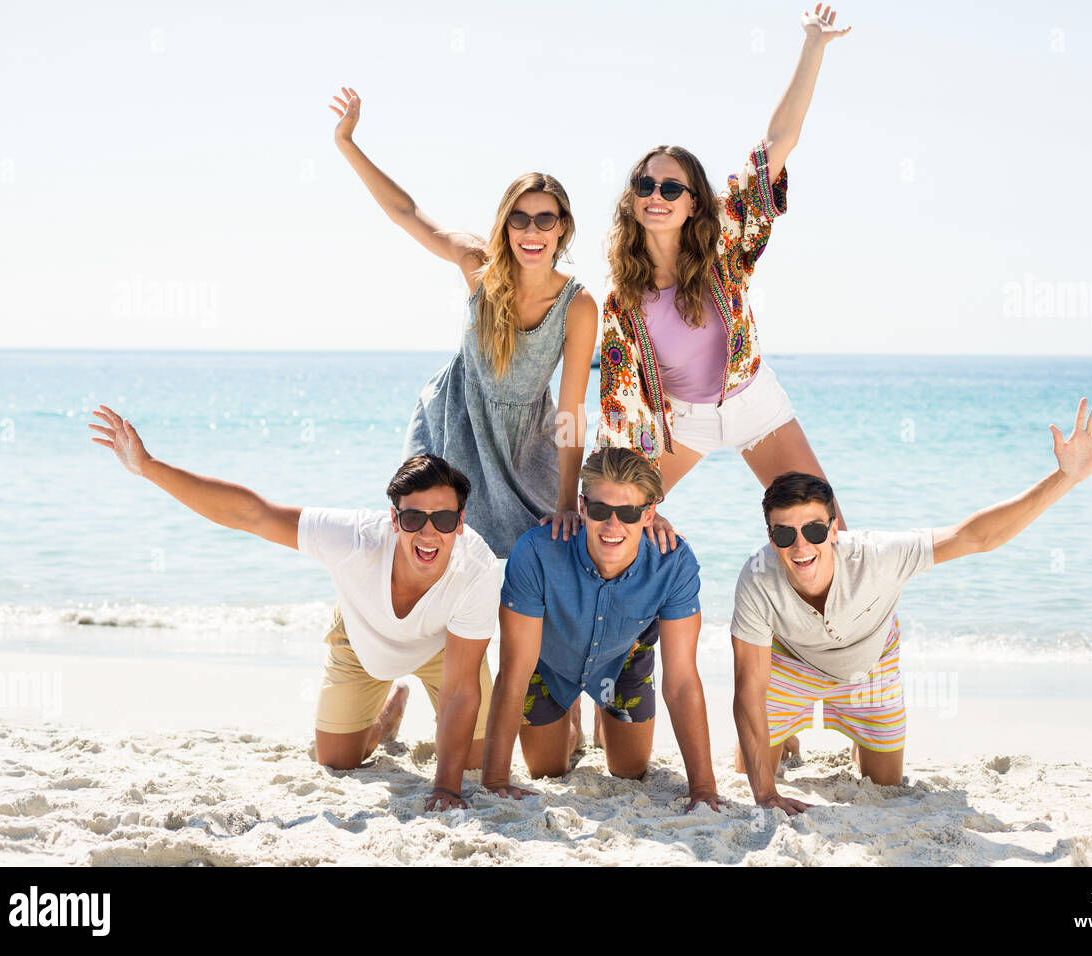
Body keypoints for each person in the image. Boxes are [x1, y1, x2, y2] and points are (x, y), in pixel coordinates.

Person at [88, 405, 502, 811]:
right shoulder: (356, 539)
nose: (429, 533)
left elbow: (461, 688)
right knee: (338, 762)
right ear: (394, 520)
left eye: (444, 520)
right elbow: (252, 514)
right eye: (413, 518)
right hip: (361, 642)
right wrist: (149, 467)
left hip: (443, 649)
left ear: (461, 522)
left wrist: (446, 789)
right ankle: (384, 714)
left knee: (470, 767)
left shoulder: (475, 568)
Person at [731, 398, 1092, 813]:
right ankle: (787, 728)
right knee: (745, 773)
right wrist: (766, 795)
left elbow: (974, 536)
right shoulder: (756, 578)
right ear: (771, 539)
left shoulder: (878, 556)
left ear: (834, 529)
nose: (801, 545)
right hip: (794, 662)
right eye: (785, 535)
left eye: (814, 530)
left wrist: (1064, 478)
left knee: (885, 784)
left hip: (870, 662)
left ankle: (859, 731)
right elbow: (748, 689)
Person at [595, 6, 852, 547]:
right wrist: (627, 498)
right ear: (632, 198)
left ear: (694, 203)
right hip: (681, 423)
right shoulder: (621, 300)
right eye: (645, 185)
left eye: (671, 188)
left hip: (755, 406)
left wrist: (813, 46)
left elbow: (775, 146)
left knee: (829, 534)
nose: (656, 196)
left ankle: (862, 632)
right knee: (611, 523)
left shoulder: (725, 246)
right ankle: (632, 632)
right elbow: (619, 404)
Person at [329, 86, 598, 556]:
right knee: (423, 533)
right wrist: (348, 143)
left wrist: (568, 499)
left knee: (536, 553)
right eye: (519, 219)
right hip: (453, 421)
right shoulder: (479, 267)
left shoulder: (578, 305)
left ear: (563, 228)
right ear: (504, 225)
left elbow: (573, 410)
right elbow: (406, 212)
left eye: (544, 220)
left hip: (522, 447)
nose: (531, 232)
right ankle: (357, 622)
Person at [481, 447, 723, 812]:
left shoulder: (673, 562)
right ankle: (572, 710)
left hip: (623, 657)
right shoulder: (535, 552)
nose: (613, 526)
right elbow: (514, 672)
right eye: (599, 511)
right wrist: (495, 780)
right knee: (548, 770)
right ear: (582, 507)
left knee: (629, 769)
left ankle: (603, 710)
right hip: (548, 663)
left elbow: (683, 681)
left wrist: (703, 787)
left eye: (628, 513)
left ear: (649, 513)